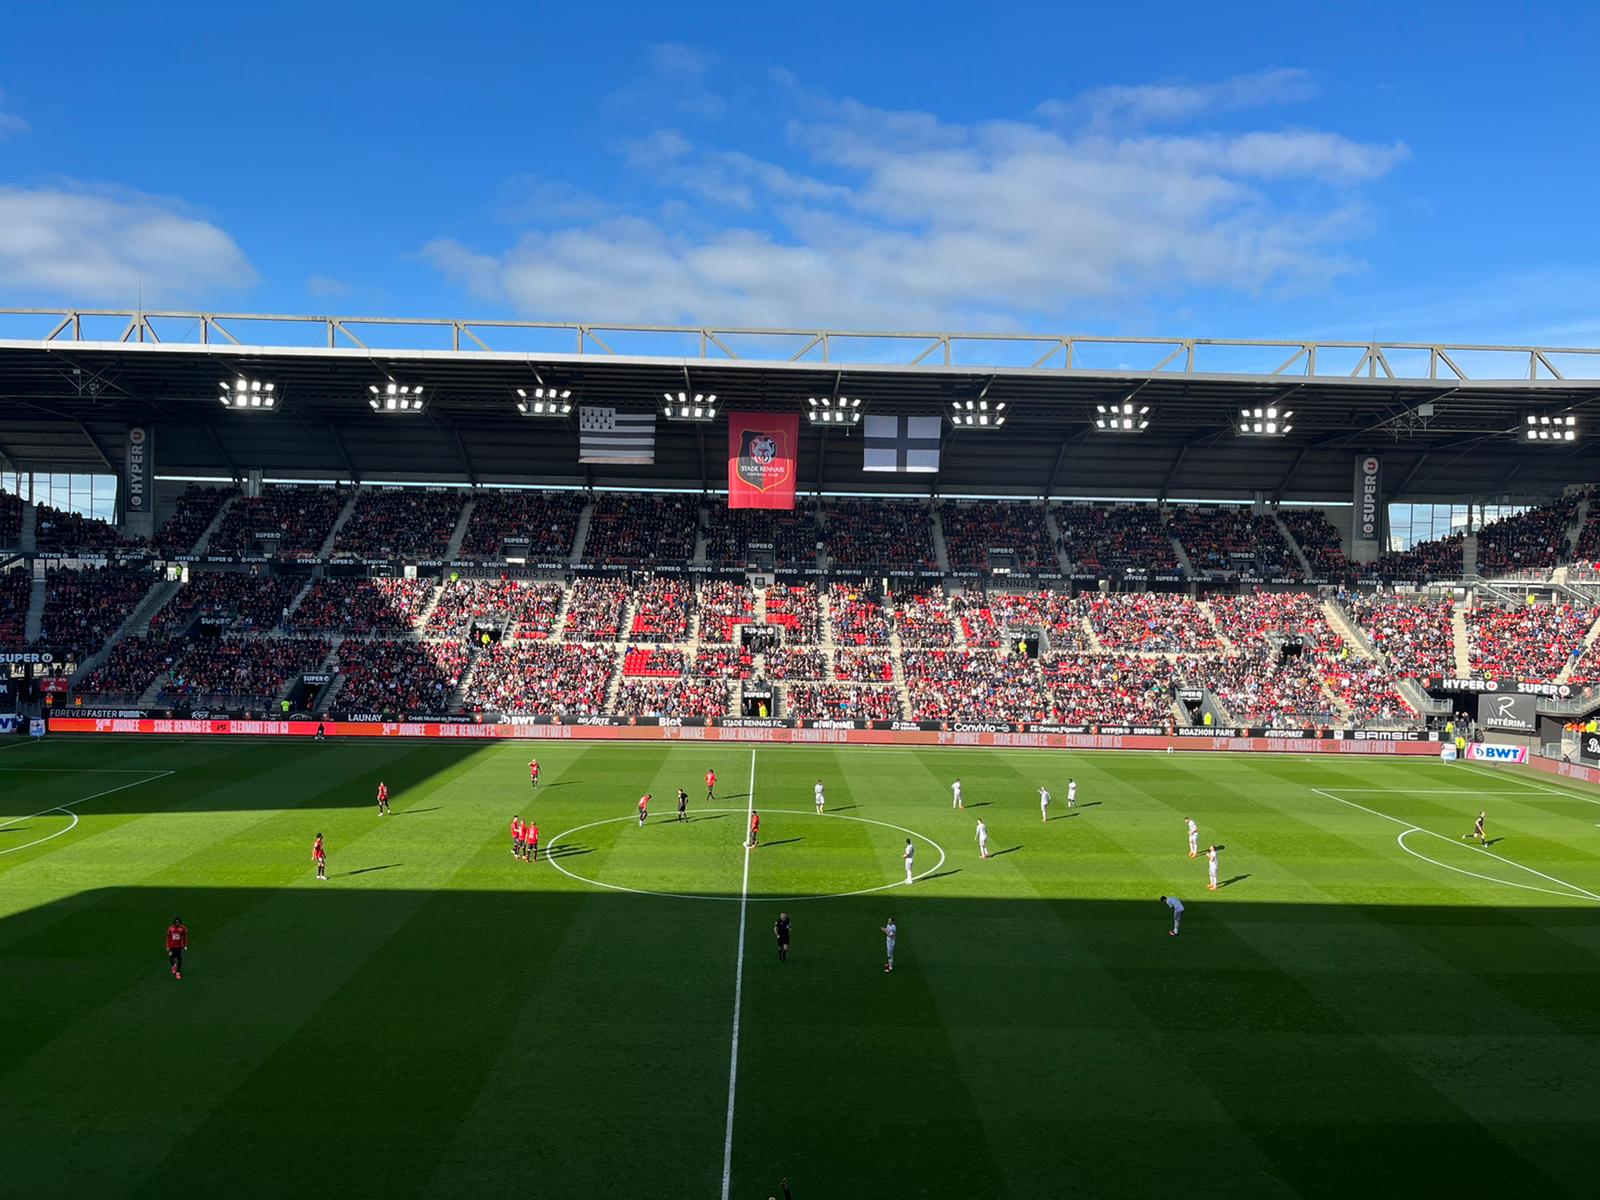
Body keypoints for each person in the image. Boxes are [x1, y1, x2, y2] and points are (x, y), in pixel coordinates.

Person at [166, 916, 188, 981]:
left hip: (179, 947)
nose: (177, 923)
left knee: (179, 959)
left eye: (178, 922)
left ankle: (178, 972)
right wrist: (167, 946)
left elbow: (185, 937)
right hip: (172, 946)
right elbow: (168, 938)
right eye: (176, 922)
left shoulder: (183, 928)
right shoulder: (170, 928)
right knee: (170, 958)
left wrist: (185, 945)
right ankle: (173, 965)